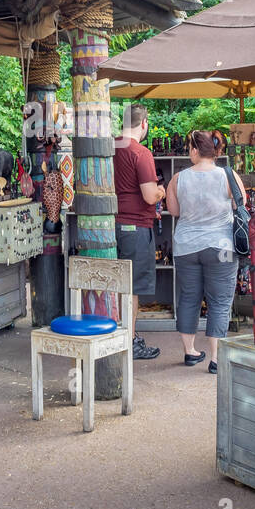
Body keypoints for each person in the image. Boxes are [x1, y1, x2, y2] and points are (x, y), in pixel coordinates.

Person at [165, 130, 242, 373]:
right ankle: (216, 358)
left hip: (186, 247)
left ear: (196, 151)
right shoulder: (227, 175)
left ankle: (190, 352)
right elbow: (242, 204)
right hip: (222, 248)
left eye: (189, 148)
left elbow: (174, 211)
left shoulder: (178, 178)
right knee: (220, 301)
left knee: (189, 297)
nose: (189, 153)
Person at [113, 103, 164, 360]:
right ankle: (130, 340)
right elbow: (148, 195)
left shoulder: (109, 148)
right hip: (135, 227)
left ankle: (113, 336)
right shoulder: (140, 153)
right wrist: (161, 191)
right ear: (143, 124)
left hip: (110, 225)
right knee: (131, 288)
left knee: (113, 284)